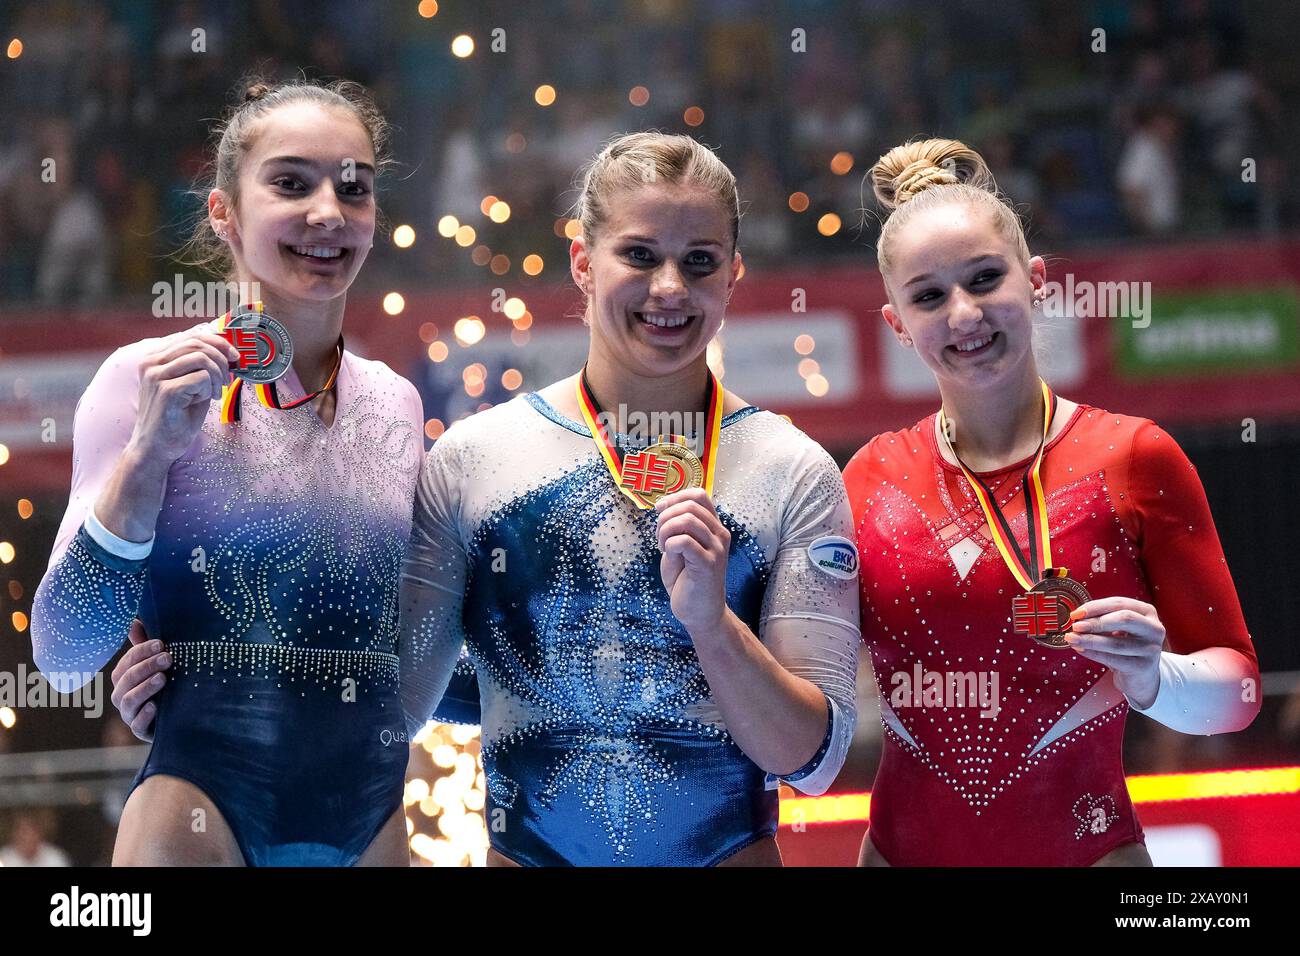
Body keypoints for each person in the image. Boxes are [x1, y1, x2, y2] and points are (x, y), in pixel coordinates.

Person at [395, 131, 863, 866]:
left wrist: (713, 627)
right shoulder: (473, 460)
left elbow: (815, 761)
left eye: (699, 261)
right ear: (583, 261)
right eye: (640, 255)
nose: (670, 288)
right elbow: (395, 705)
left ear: (733, 275)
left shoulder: (791, 470)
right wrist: (196, 670)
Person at [30, 78, 423, 866]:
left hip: (371, 817)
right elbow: (66, 653)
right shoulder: (142, 379)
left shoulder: (398, 404)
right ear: (223, 213)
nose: (327, 211)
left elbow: (413, 656)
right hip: (197, 804)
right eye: (290, 182)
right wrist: (147, 457)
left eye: (354, 187)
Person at [842, 138, 1260, 866]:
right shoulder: (868, 477)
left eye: (984, 278)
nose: (965, 314)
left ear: (1036, 280)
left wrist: (1156, 678)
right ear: (896, 323)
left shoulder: (1134, 456)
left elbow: (1242, 692)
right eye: (929, 296)